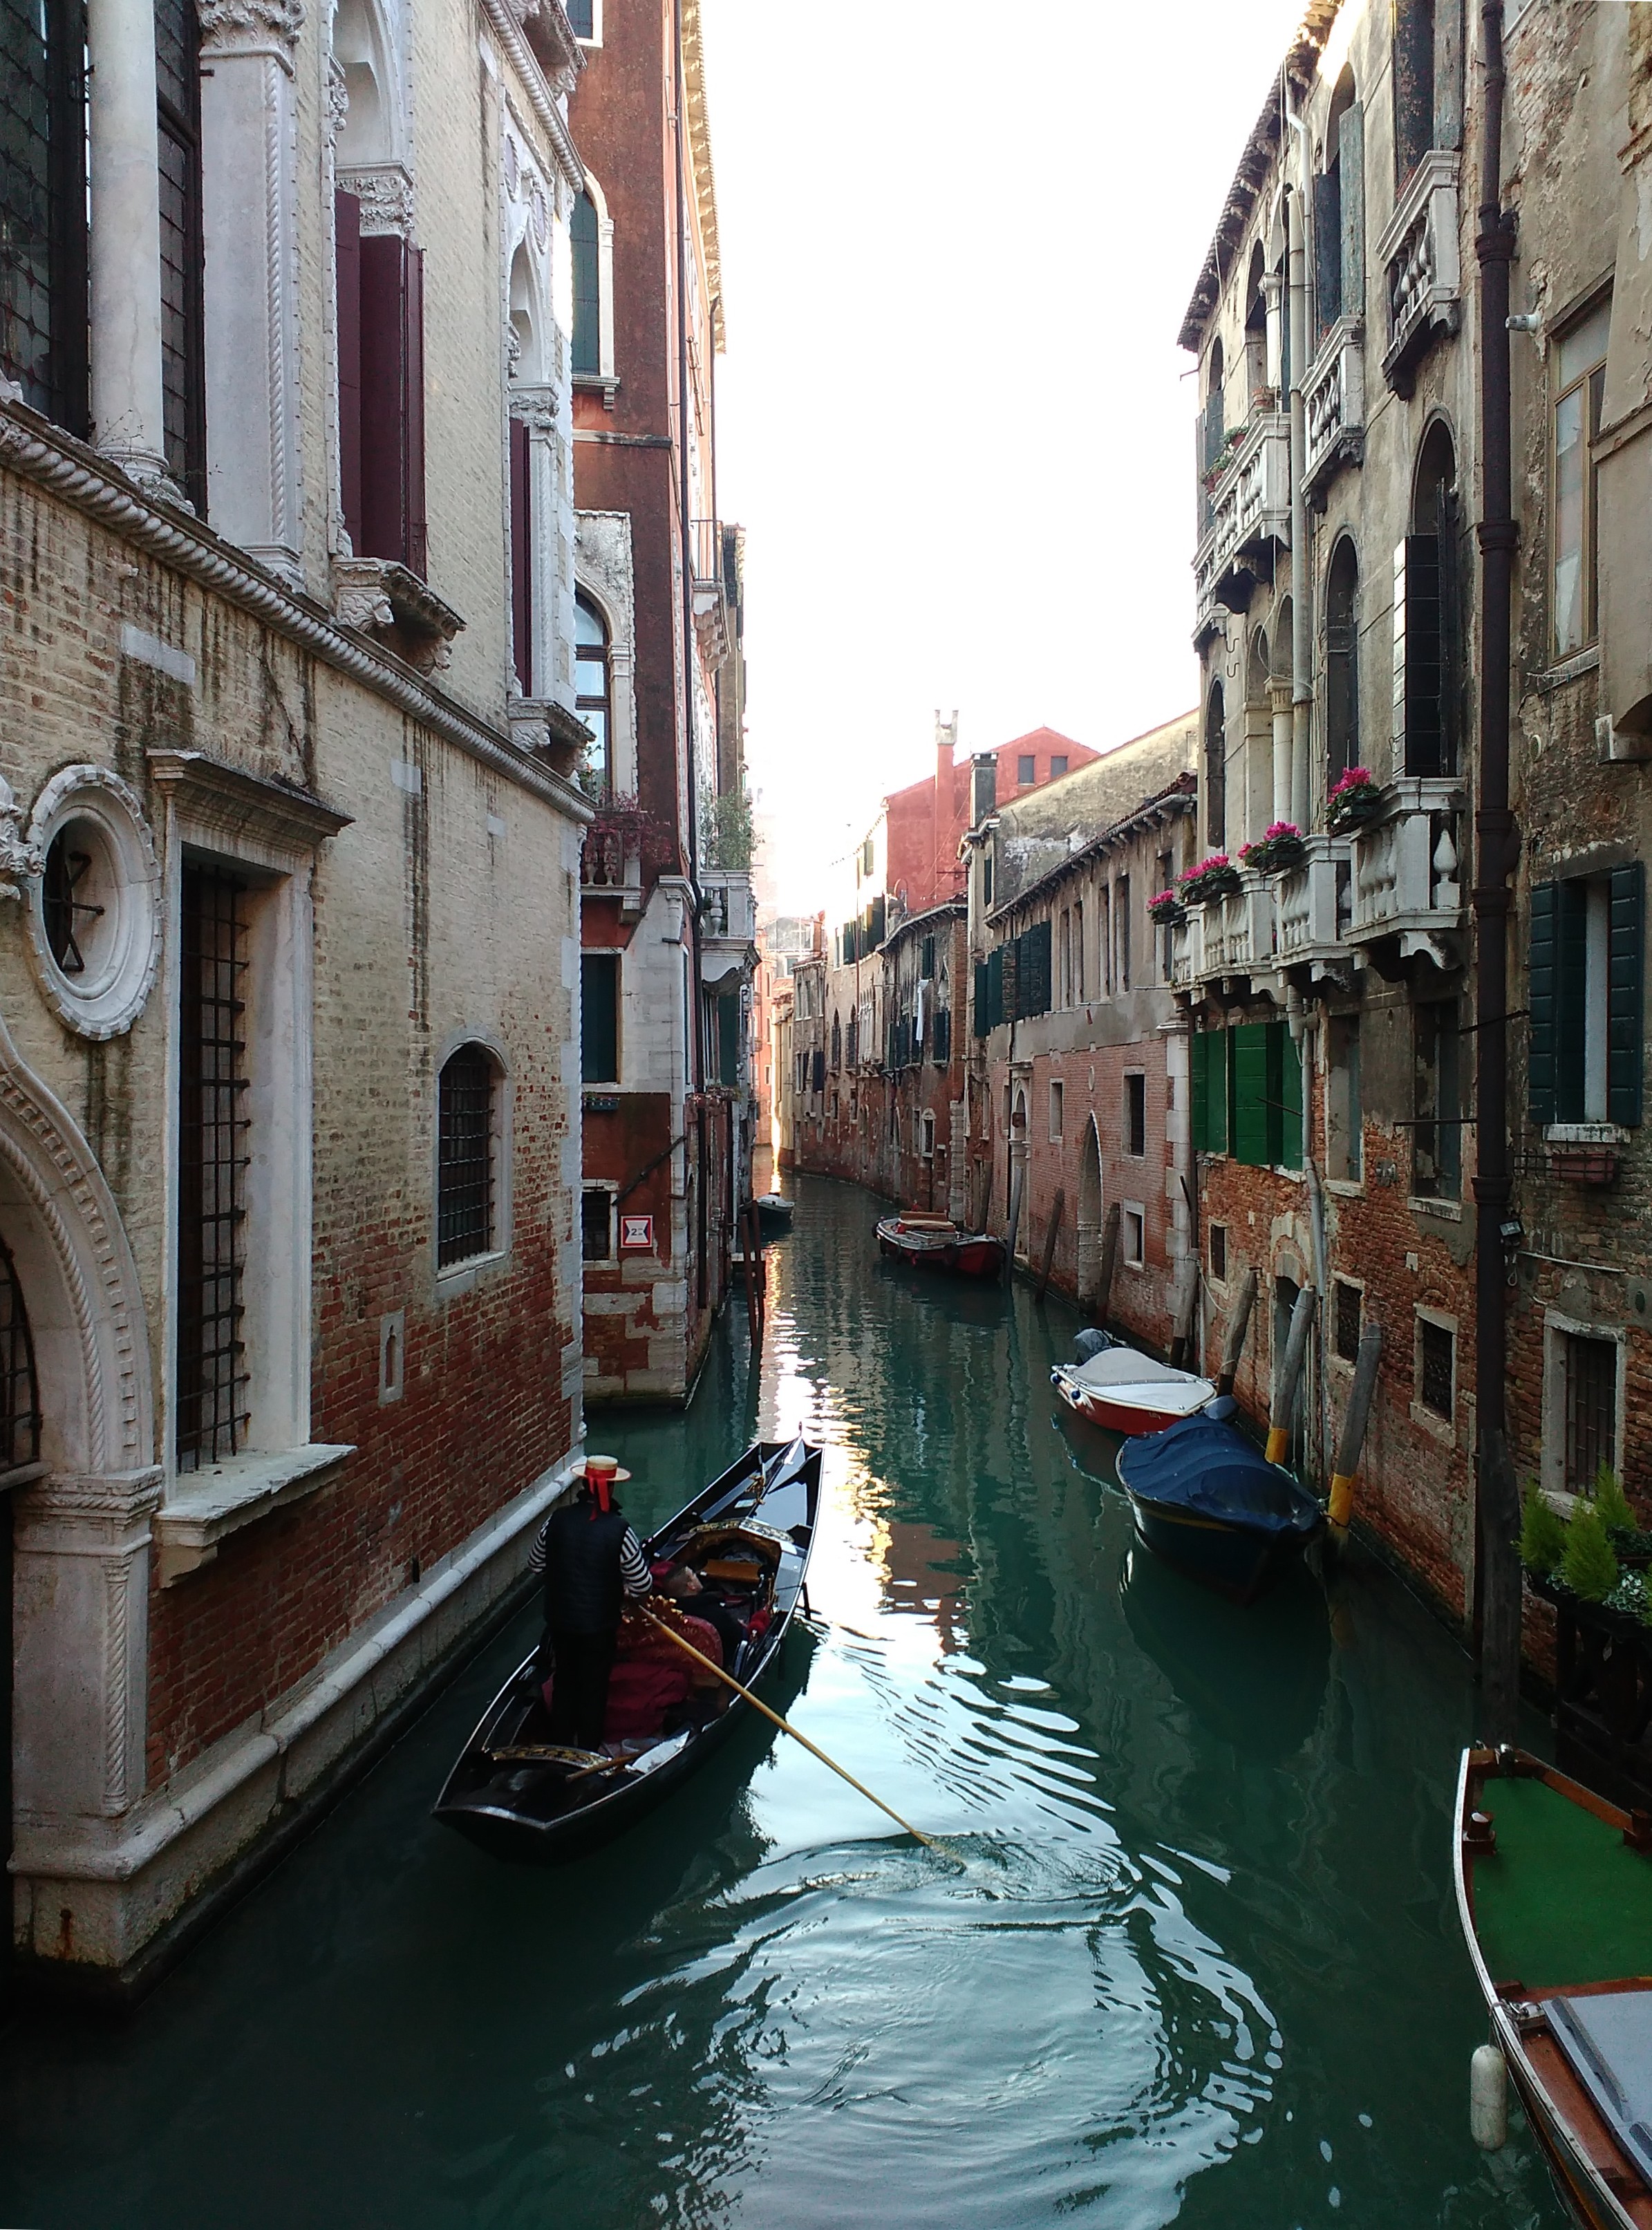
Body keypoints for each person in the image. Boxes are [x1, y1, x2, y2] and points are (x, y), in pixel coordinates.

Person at [527, 1455, 651, 1749]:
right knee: (593, 1689)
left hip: (561, 1622)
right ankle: (587, 1752)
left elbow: (535, 1564)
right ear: (610, 1490)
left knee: (564, 1683)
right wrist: (623, 1591)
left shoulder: (556, 1520)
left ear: (584, 1484)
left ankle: (559, 1747)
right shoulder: (620, 1530)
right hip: (598, 1627)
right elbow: (642, 1583)